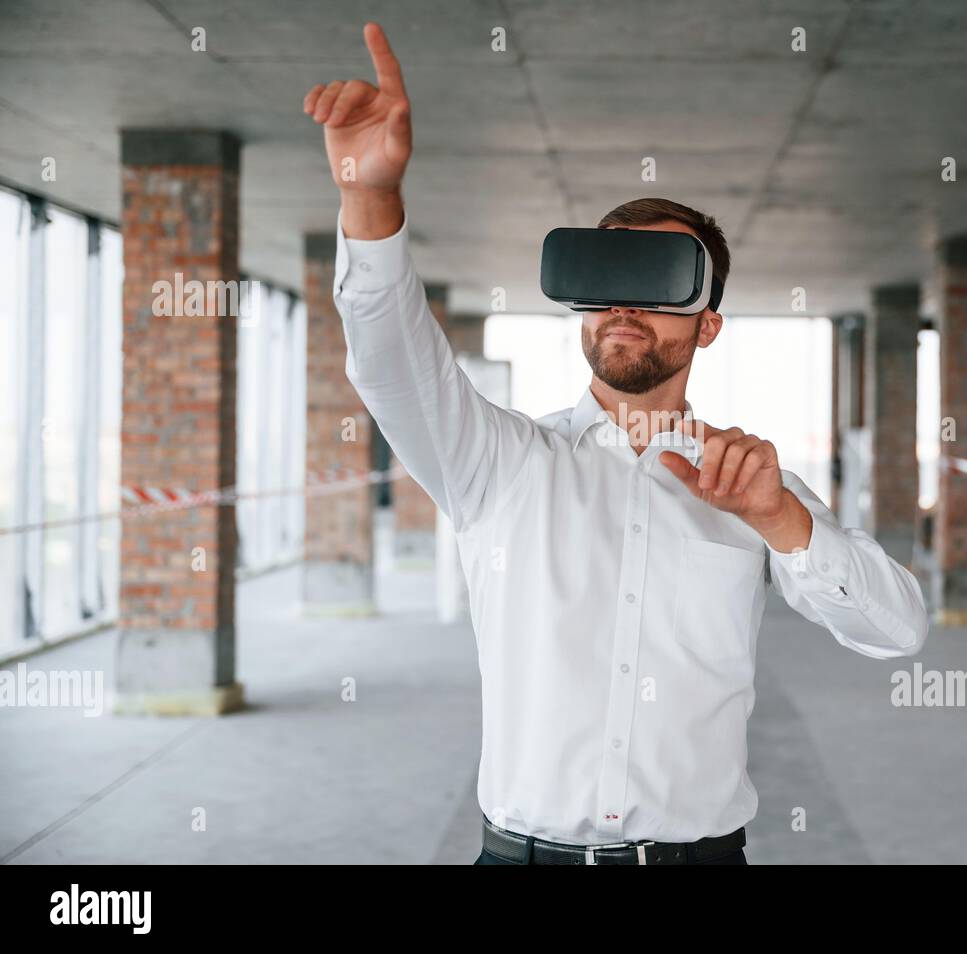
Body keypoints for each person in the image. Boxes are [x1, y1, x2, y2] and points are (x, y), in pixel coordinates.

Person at [303, 22, 929, 866]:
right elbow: (389, 359)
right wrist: (368, 197)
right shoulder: (498, 464)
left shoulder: (750, 483)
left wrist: (784, 525)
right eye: (606, 282)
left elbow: (899, 631)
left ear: (708, 325)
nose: (624, 307)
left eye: (658, 284)